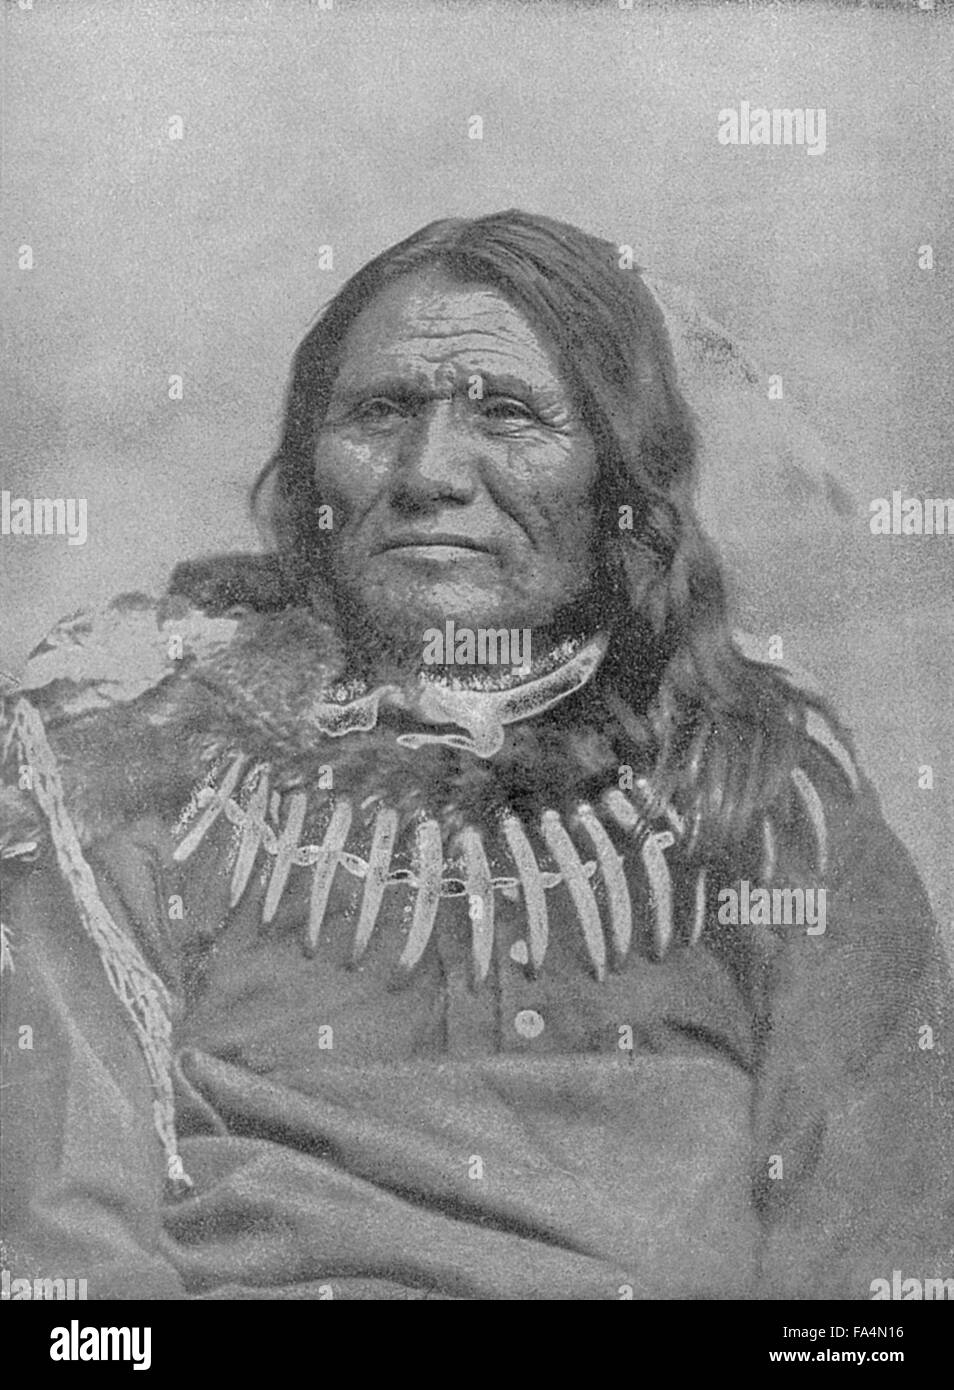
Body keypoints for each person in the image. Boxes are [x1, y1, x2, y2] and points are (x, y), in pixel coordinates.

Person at [1, 211, 951, 1301]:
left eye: (508, 412)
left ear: (621, 476)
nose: (429, 473)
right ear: (312, 468)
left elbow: (880, 1267)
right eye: (379, 412)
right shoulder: (138, 778)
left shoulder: (769, 814)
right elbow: (64, 1265)